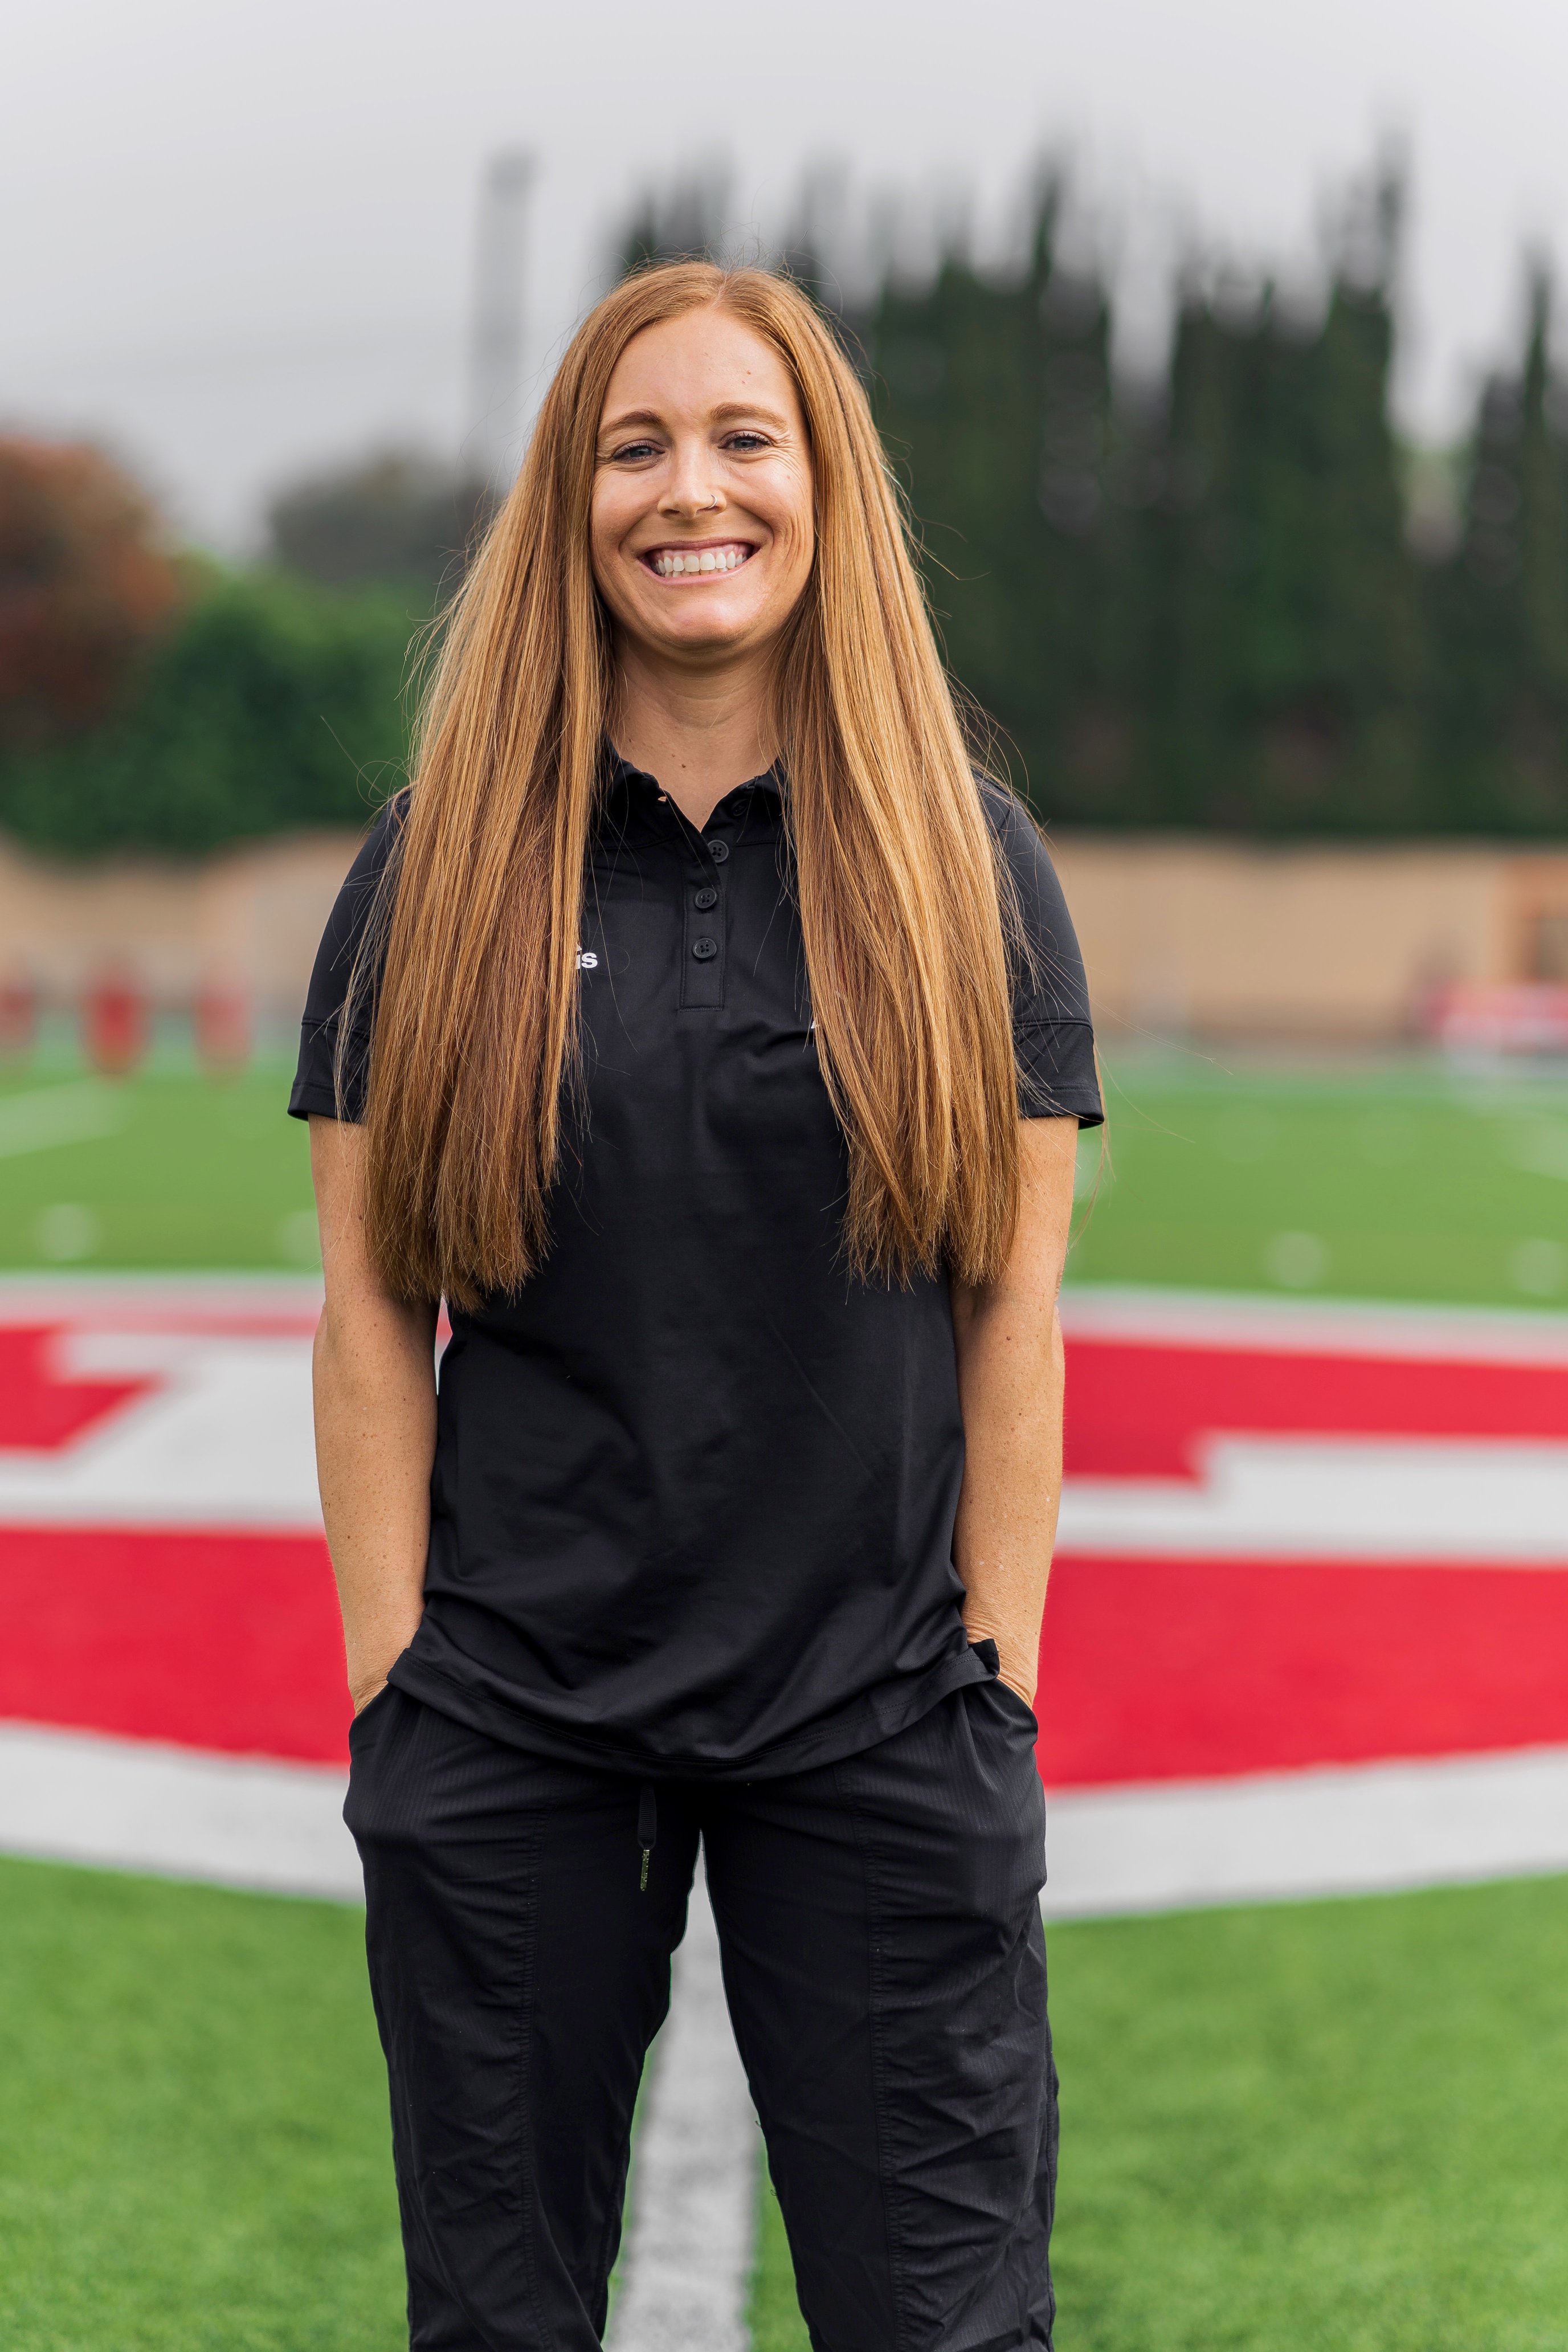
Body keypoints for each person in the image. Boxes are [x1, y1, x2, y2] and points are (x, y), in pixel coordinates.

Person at [291, 259, 1102, 2352]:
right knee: (498, 2326)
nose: (692, 490)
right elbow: (370, 1307)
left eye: (746, 438)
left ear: (824, 485)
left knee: (948, 2329)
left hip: (880, 1717)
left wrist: (990, 1683)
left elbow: (1018, 1303)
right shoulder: (442, 865)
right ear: (572, 500)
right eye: (636, 446)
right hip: (516, 1723)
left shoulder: (964, 865)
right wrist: (397, 1694)